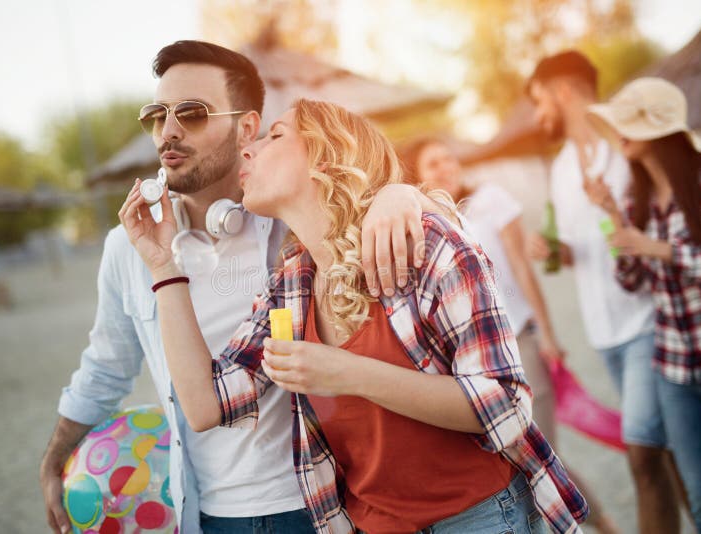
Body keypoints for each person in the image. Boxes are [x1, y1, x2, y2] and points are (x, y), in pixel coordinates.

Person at [118, 98, 589, 533]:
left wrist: (348, 372)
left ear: (326, 157)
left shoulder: (426, 245)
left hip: (480, 518)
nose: (249, 150)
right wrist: (163, 267)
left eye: (274, 135)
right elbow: (205, 405)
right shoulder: (291, 288)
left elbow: (504, 404)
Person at [39, 40, 440, 534]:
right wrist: (54, 457)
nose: (168, 130)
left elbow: (357, 188)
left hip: (331, 500)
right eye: (156, 115)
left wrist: (401, 195)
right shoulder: (128, 248)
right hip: (208, 514)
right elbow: (106, 366)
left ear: (247, 128)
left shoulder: (293, 228)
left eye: (192, 112)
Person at [400, 137, 619, 534]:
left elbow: (521, 265)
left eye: (449, 157)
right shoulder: (426, 225)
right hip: (471, 362)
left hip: (520, 340)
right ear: (419, 176)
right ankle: (603, 524)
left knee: (538, 451)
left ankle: (602, 524)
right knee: (523, 458)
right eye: (434, 163)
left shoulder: (490, 199)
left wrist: (547, 333)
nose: (446, 167)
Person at [585, 77, 701, 534]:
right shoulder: (635, 196)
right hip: (676, 370)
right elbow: (632, 280)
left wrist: (657, 248)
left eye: (628, 121)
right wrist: (614, 217)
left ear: (656, 128)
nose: (617, 131)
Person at [525, 50, 684, 534]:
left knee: (640, 454)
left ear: (564, 91)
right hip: (605, 334)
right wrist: (555, 249)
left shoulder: (627, 147)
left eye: (539, 101)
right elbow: (579, 248)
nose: (538, 115)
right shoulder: (561, 168)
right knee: (665, 451)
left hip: (649, 321)